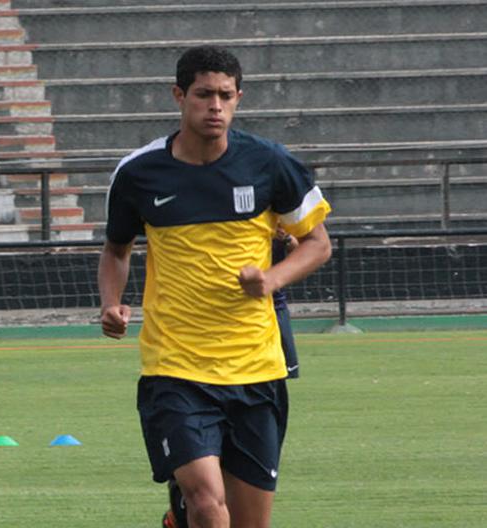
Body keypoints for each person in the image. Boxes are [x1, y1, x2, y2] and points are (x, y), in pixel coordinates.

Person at [98, 45, 332, 528]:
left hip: (254, 367)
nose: (216, 106)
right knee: (207, 502)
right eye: (204, 94)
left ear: (239, 98)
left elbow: (317, 244)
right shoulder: (139, 172)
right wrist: (111, 302)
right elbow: (116, 249)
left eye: (226, 95)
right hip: (176, 368)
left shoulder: (269, 164)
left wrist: (271, 278)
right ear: (179, 96)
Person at [163, 228, 302, 528]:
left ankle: (199, 499)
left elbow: (309, 246)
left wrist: (285, 242)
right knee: (207, 485)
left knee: (253, 439)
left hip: (269, 319)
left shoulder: (280, 193)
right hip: (205, 331)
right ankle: (191, 496)